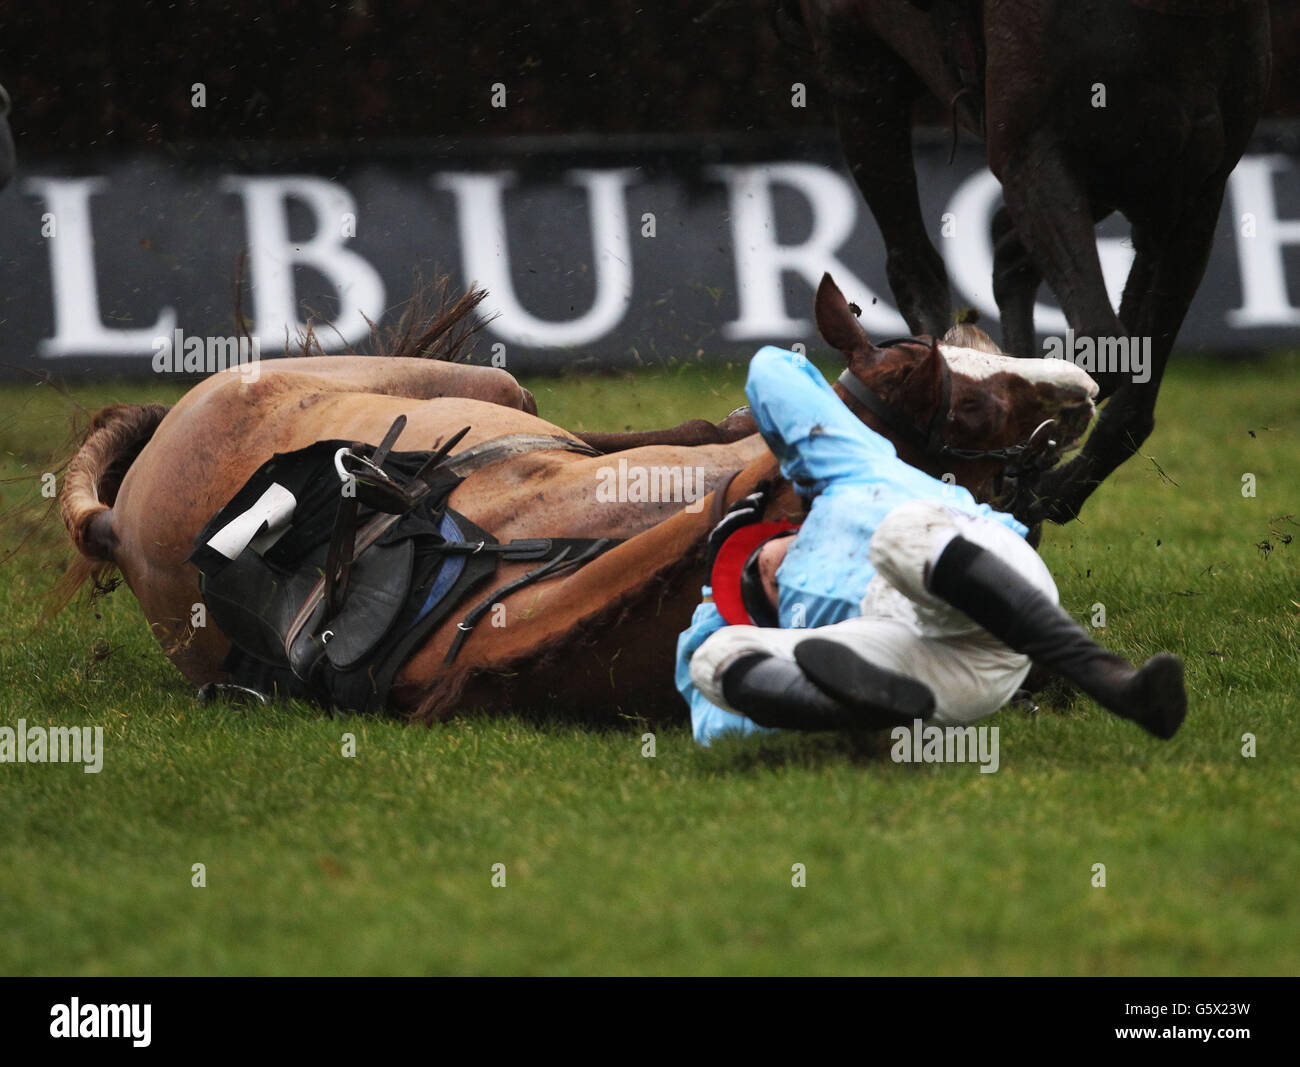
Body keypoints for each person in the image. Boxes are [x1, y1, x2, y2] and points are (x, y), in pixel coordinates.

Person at [675, 345, 1186, 744]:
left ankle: (1111, 679)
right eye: (765, 592)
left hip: (962, 570)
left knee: (901, 535)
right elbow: (714, 726)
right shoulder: (810, 636)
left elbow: (773, 370)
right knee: (713, 659)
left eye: (762, 563)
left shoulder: (842, 468)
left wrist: (798, 460)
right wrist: (709, 611)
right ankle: (855, 711)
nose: (774, 577)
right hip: (936, 664)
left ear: (788, 530)